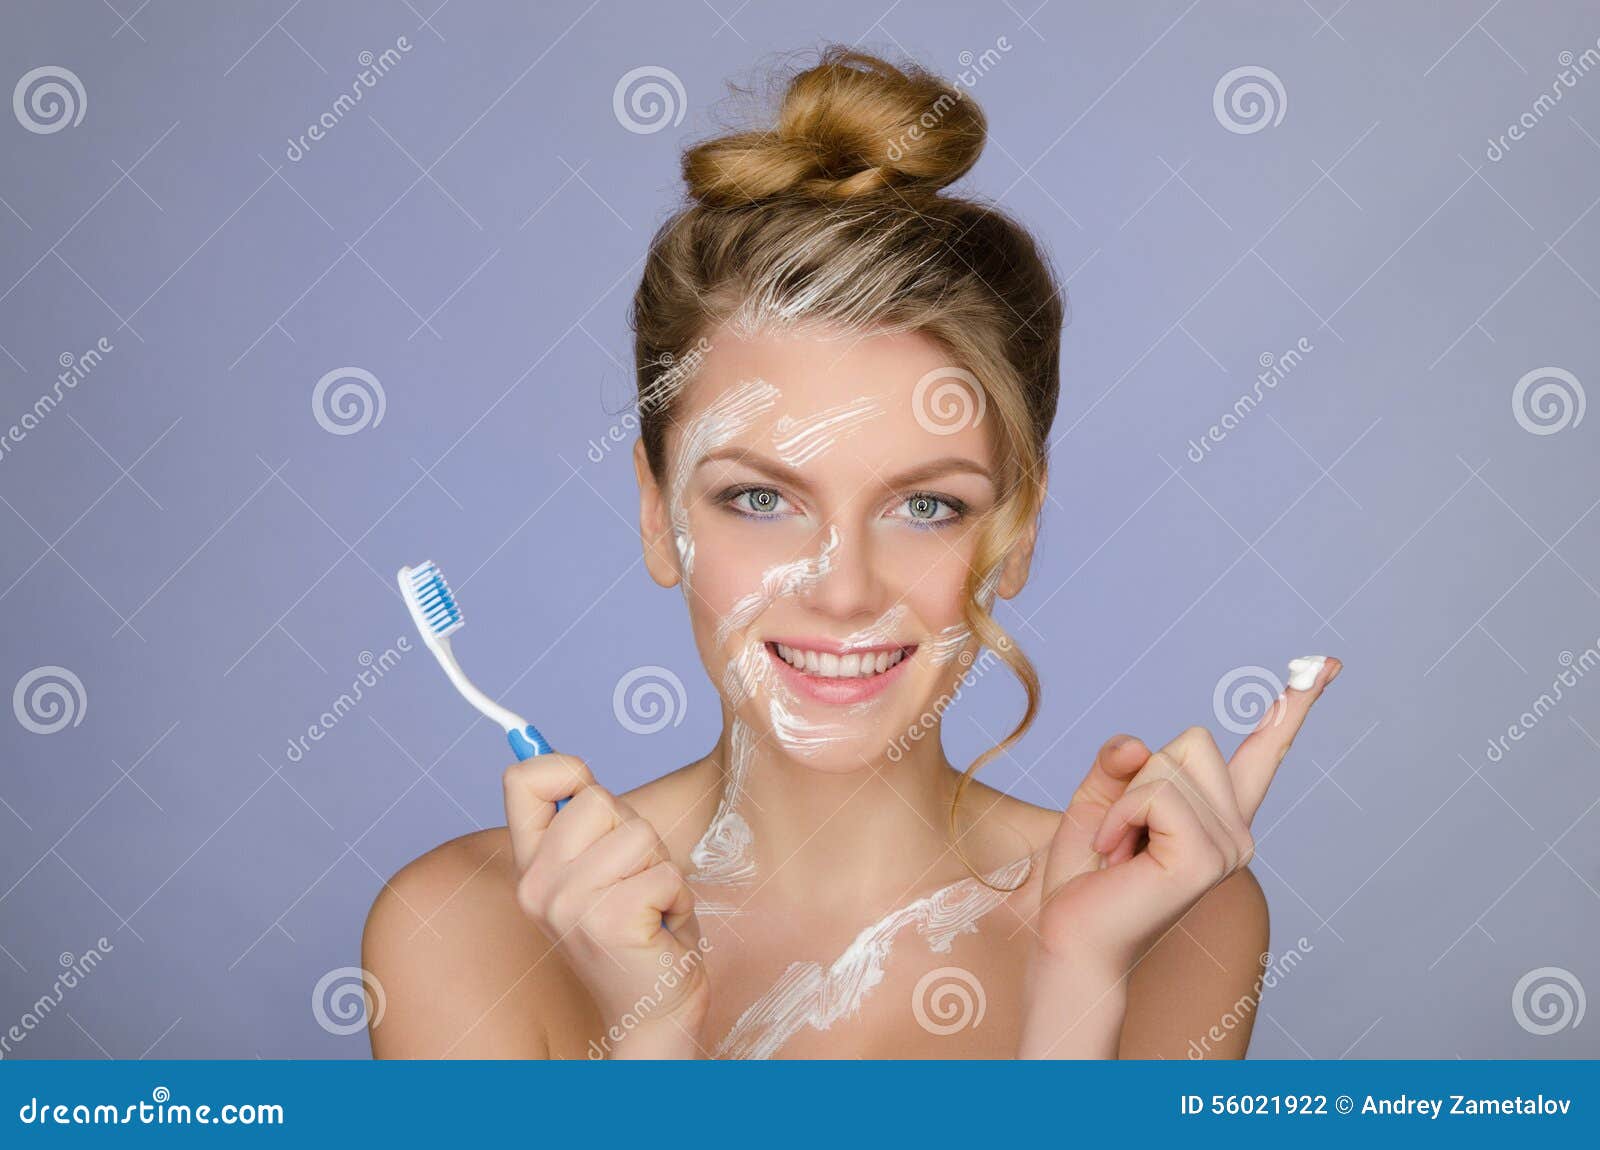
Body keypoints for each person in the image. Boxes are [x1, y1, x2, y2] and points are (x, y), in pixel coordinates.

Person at [362, 46, 1339, 1059]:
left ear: (1020, 530)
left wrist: (1077, 982)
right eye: (758, 497)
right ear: (658, 515)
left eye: (924, 504)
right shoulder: (463, 931)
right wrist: (648, 1033)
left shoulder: (1172, 916)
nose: (841, 588)